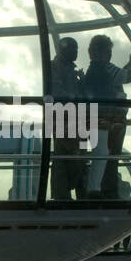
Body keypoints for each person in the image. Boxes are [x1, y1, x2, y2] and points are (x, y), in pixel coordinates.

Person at [81, 34, 131, 198]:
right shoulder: (105, 69)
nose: (108, 55)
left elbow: (119, 74)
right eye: (106, 52)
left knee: (104, 153)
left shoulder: (97, 69)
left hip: (101, 117)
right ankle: (96, 190)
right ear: (96, 53)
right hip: (103, 117)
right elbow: (127, 76)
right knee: (103, 152)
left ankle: (100, 189)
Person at [48, 37, 85, 200]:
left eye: (76, 48)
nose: (76, 52)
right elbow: (57, 91)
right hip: (63, 118)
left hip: (72, 119)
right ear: (63, 50)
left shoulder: (68, 69)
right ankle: (65, 195)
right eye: (73, 48)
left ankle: (63, 195)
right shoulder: (55, 67)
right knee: (70, 155)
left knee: (69, 156)